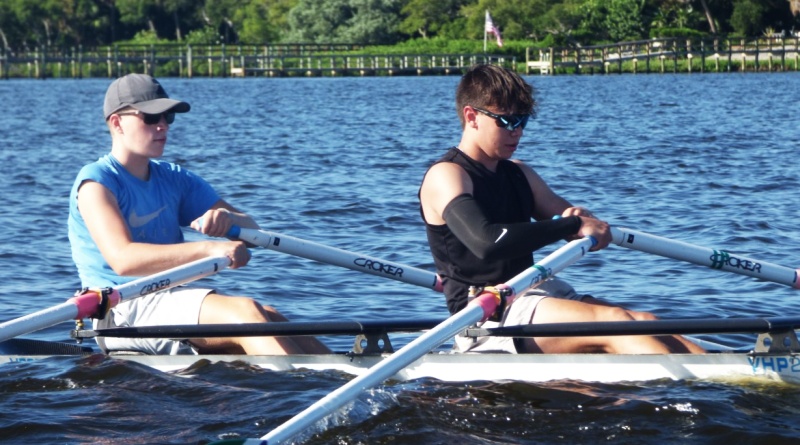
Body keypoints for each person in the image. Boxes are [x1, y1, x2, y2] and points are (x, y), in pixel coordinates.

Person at [418, 64, 703, 354]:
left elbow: (578, 225)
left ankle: (730, 377)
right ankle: (692, 390)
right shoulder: (447, 175)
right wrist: (569, 226)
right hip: (484, 313)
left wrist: (581, 219)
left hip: (534, 291)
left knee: (646, 321)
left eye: (523, 121)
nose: (516, 132)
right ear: (471, 116)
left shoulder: (519, 174)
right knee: (614, 322)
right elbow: (487, 242)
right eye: (506, 121)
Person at [68, 73, 329, 356]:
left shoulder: (174, 178)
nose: (163, 126)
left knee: (271, 316)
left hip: (167, 296)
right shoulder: (96, 183)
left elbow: (253, 231)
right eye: (151, 118)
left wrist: (230, 222)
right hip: (121, 307)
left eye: (168, 117)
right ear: (117, 122)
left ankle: (342, 378)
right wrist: (210, 248)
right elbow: (124, 260)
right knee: (247, 312)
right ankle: (313, 395)